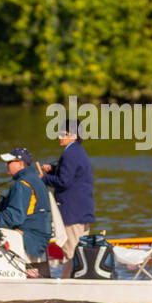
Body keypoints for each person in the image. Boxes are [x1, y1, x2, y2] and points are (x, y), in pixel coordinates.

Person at [0, 147, 53, 277]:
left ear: (20, 164)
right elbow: (13, 207)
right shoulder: (33, 179)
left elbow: (15, 216)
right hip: (40, 235)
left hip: (31, 238)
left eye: (9, 162)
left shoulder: (22, 184)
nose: (6, 164)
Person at [39, 119, 95, 278]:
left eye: (63, 133)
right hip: (80, 211)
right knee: (77, 252)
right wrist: (53, 169)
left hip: (72, 213)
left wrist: (43, 178)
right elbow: (70, 173)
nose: (59, 136)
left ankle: (67, 285)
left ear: (73, 135)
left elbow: (64, 181)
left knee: (71, 253)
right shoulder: (76, 151)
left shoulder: (70, 153)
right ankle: (74, 281)